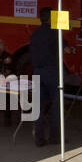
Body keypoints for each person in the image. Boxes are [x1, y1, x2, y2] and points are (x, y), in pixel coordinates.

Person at [28, 8, 60, 146]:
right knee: (55, 106)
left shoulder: (34, 34)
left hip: (37, 72)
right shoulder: (55, 33)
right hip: (52, 72)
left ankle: (39, 138)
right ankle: (54, 137)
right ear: (50, 19)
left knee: (38, 107)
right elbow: (64, 49)